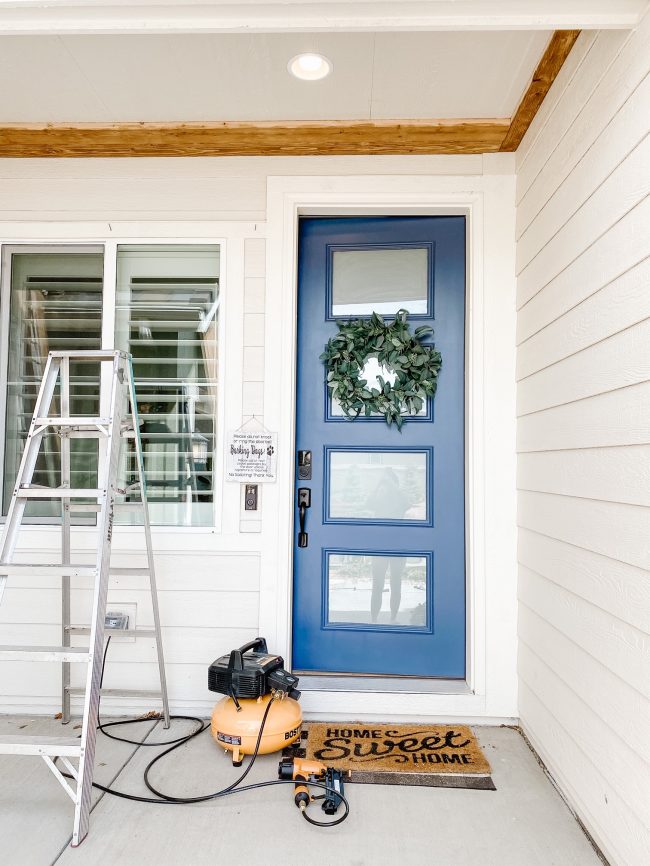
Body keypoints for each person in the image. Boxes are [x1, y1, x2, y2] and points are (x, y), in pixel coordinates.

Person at [364, 468, 409, 623]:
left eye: (388, 482)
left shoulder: (400, 499)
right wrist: (379, 485)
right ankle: (374, 619)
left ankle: (393, 618)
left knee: (395, 583)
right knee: (378, 584)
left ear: (395, 484)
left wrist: (390, 484)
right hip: (381, 546)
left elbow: (406, 503)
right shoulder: (379, 499)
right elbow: (367, 504)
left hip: (397, 546)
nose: (386, 486)